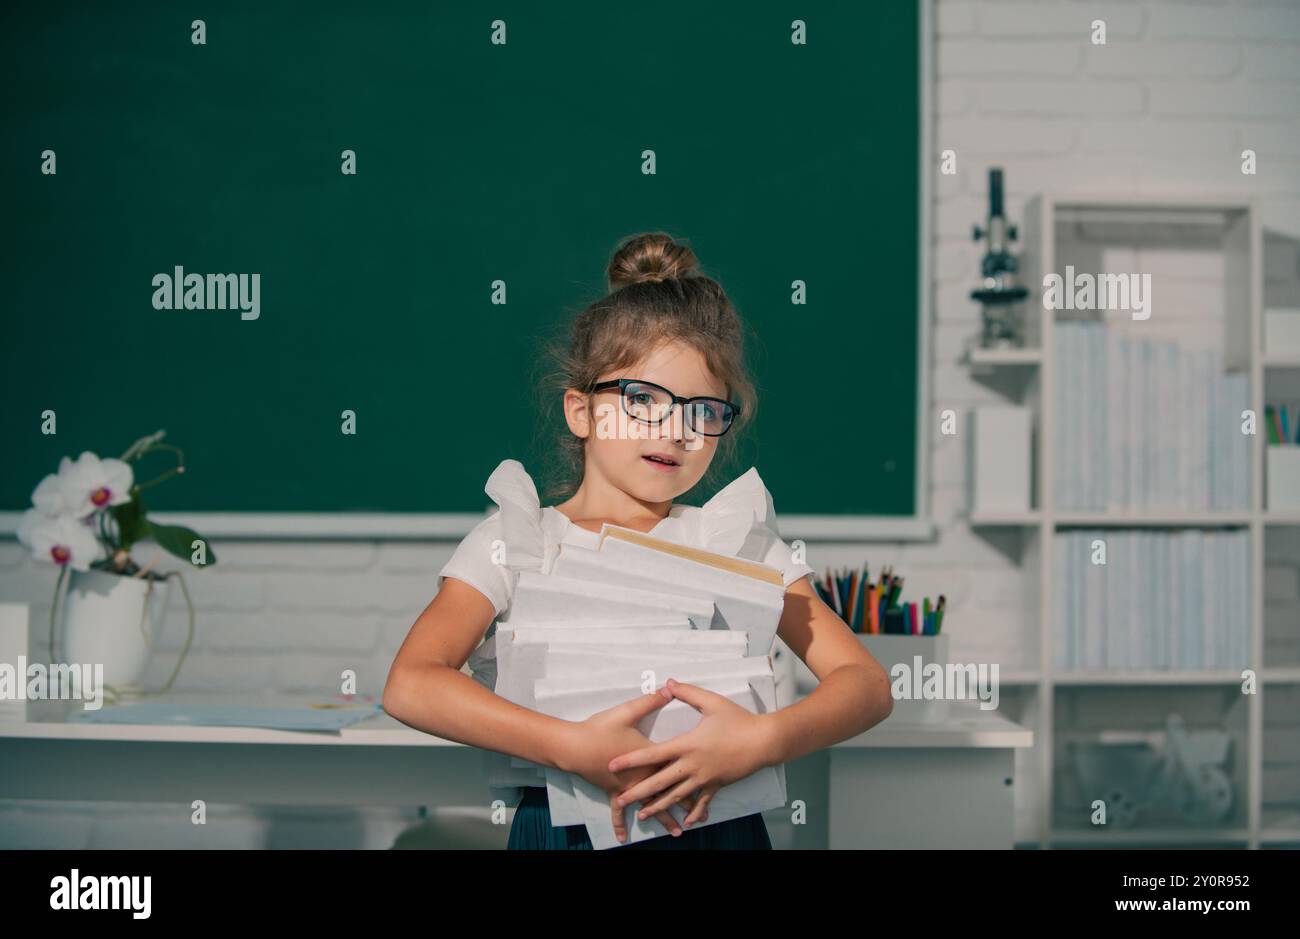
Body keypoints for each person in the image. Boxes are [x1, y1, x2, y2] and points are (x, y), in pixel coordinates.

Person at [384, 232, 893, 849]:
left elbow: (865, 684)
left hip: (718, 829)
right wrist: (568, 744)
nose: (676, 431)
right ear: (581, 411)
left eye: (703, 411)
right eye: (642, 400)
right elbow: (412, 683)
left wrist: (762, 739)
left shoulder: (734, 540)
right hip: (565, 830)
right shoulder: (519, 538)